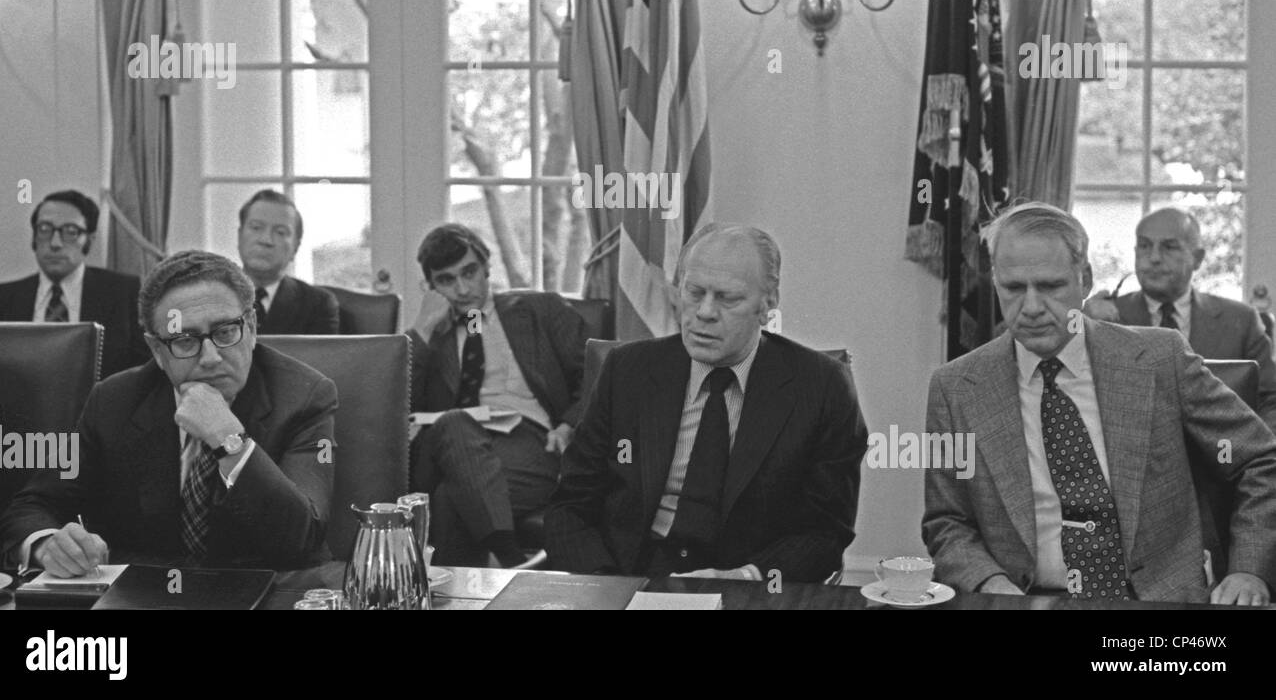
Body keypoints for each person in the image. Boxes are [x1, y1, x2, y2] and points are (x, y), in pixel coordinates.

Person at [923, 202, 1276, 604]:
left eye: (1052, 286)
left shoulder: (1160, 359)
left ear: (1085, 279)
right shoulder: (957, 387)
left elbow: (1259, 460)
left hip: (1160, 601)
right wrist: (993, 587)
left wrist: (1249, 570)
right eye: (1014, 288)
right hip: (1026, 597)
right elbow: (947, 522)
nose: (1033, 307)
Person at [546, 224, 868, 583]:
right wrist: (605, 585)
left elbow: (826, 530)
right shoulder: (627, 371)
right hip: (631, 573)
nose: (704, 312)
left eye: (727, 298)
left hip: (748, 580)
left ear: (768, 303)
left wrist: (750, 577)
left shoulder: (822, 388)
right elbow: (571, 505)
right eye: (694, 292)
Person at [0, 250, 336, 576]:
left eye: (225, 332)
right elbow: (32, 505)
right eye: (185, 341)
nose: (211, 358)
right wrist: (47, 544)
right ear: (157, 351)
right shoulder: (114, 400)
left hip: (267, 594)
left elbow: (302, 539)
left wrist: (227, 439)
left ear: (251, 327)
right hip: (145, 599)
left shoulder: (304, 397)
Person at [408, 224, 588, 567]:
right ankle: (510, 559)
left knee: (449, 498)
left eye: (469, 272)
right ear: (432, 288)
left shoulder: (540, 310)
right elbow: (400, 403)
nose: (462, 289)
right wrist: (422, 330)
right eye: (446, 280)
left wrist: (568, 425)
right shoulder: (433, 338)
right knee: (455, 423)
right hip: (453, 444)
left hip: (533, 446)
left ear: (486, 266)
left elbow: (597, 374)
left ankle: (459, 600)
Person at [1084, 206, 1276, 430]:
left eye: (1169, 247)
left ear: (1197, 258)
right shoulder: (1103, 318)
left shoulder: (1241, 320)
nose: (1153, 258)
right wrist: (1083, 323)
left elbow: (1271, 401)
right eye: (1145, 246)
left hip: (1224, 456)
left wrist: (1252, 454)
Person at [0, 190, 147, 378]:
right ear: (34, 237)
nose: (55, 243)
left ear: (89, 241)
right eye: (44, 229)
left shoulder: (123, 292)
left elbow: (143, 370)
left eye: (70, 232)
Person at [237, 189, 340, 335]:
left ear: (296, 247)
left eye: (280, 232)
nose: (266, 240)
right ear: (239, 235)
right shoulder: (210, 296)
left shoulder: (318, 304)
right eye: (256, 228)